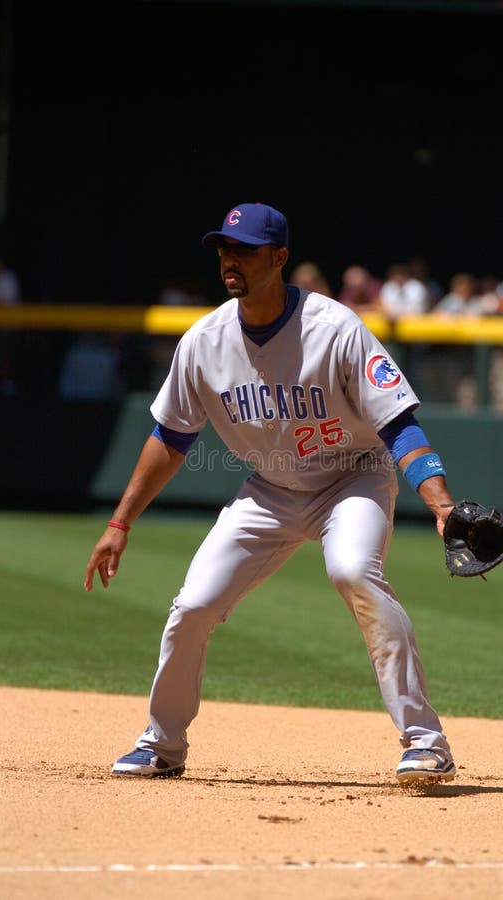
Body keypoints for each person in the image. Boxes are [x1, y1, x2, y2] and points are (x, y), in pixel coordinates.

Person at [84, 202, 458, 786]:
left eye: (246, 250)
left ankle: (425, 741)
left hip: (352, 477)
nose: (231, 259)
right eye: (224, 249)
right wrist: (119, 523)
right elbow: (171, 438)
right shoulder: (205, 341)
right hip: (269, 492)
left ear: (279, 258)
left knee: (353, 570)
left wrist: (441, 505)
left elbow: (398, 424)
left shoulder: (335, 329)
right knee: (194, 605)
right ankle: (162, 743)